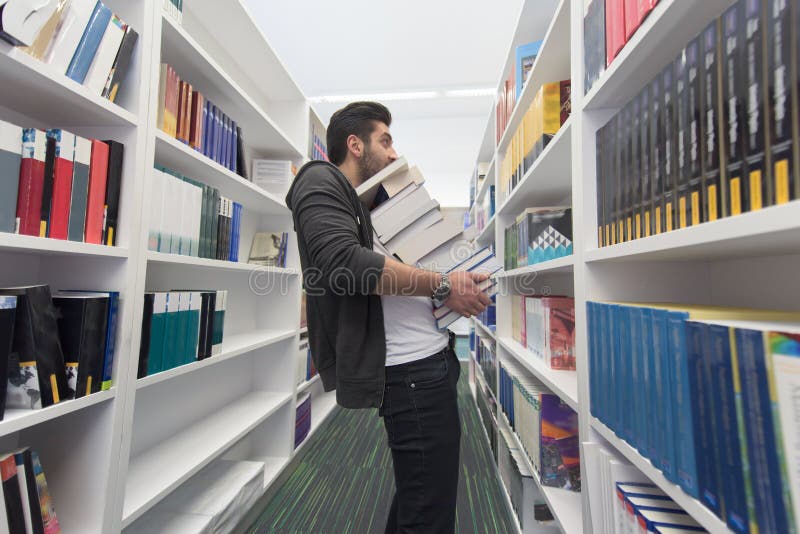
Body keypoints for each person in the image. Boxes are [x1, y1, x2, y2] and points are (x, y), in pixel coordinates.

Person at [285, 101, 491, 533]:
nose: (394, 153)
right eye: (386, 140)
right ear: (354, 144)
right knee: (428, 513)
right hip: (410, 377)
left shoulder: (363, 203)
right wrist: (443, 286)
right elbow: (341, 264)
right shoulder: (319, 179)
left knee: (422, 499)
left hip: (430, 365)